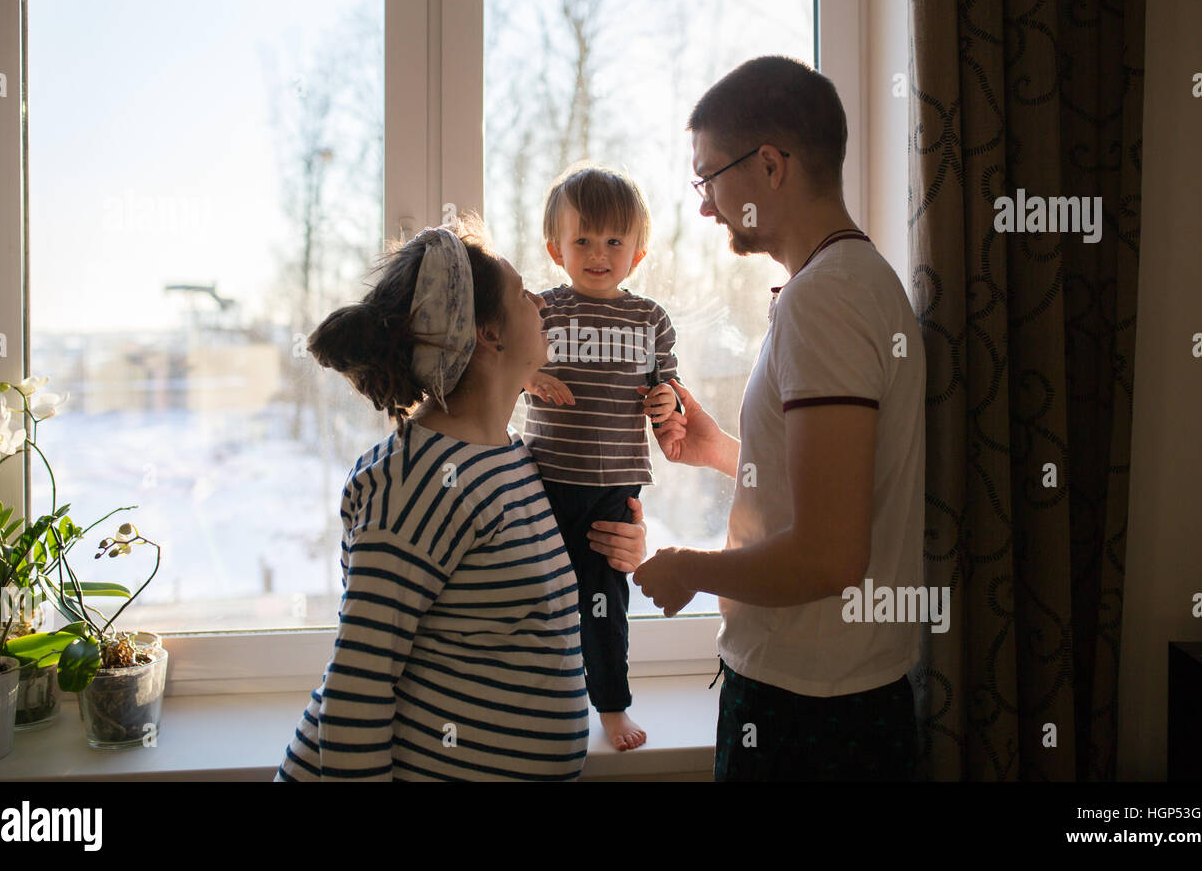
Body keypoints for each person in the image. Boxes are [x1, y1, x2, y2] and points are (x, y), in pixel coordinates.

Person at [633, 55, 926, 781]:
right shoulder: (855, 282)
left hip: (810, 719)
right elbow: (840, 489)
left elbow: (830, 555)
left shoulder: (825, 300)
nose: (703, 205)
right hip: (842, 698)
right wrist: (722, 452)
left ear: (769, 166)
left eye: (708, 178)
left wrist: (690, 570)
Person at [274, 219, 649, 781]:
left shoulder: (513, 460)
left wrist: (620, 544)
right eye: (523, 293)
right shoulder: (413, 481)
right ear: (489, 334)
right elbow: (358, 689)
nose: (540, 302)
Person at [520, 165, 680, 752]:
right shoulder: (542, 310)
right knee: (539, 596)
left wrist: (665, 400)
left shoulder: (649, 319)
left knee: (605, 601)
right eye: (582, 239)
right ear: (555, 248)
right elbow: (503, 370)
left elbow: (667, 396)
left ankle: (611, 704)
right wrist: (530, 376)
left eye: (615, 240)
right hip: (543, 480)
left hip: (614, 486)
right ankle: (538, 699)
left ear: (637, 253)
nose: (598, 253)